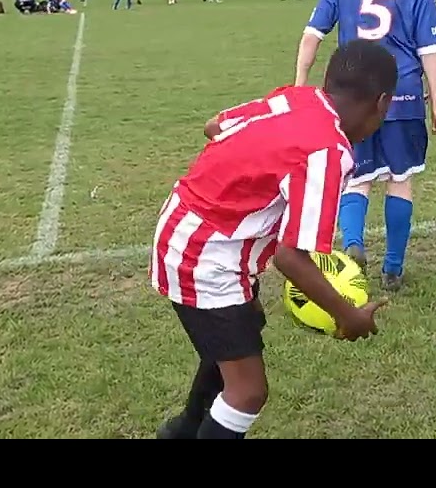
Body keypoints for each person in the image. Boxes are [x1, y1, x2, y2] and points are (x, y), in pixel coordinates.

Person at [153, 39, 397, 440]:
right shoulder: (330, 152)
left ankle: (181, 432)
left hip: (183, 225)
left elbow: (215, 126)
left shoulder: (297, 98)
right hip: (205, 255)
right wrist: (346, 314)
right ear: (382, 102)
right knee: (247, 392)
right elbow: (291, 257)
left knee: (244, 328)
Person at [293, 0, 436, 292]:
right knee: (401, 180)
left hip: (351, 99)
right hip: (402, 93)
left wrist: (299, 87)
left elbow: (311, 38)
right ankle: (392, 269)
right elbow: (430, 50)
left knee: (355, 178)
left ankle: (353, 245)